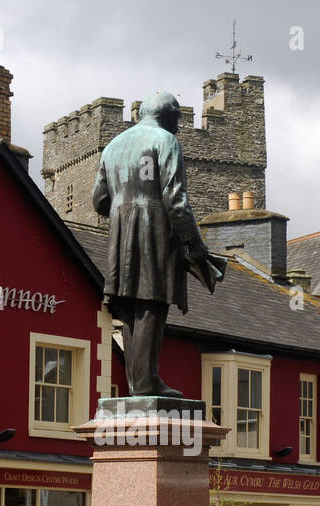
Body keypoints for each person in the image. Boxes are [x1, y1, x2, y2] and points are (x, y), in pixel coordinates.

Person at [91, 90, 214, 396]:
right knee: (152, 302)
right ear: (167, 115)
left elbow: (99, 200)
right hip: (155, 232)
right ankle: (146, 383)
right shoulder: (165, 141)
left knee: (131, 305)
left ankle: (139, 384)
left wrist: (125, 210)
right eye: (177, 119)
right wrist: (194, 244)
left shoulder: (113, 146)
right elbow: (175, 199)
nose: (179, 127)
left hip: (120, 237)